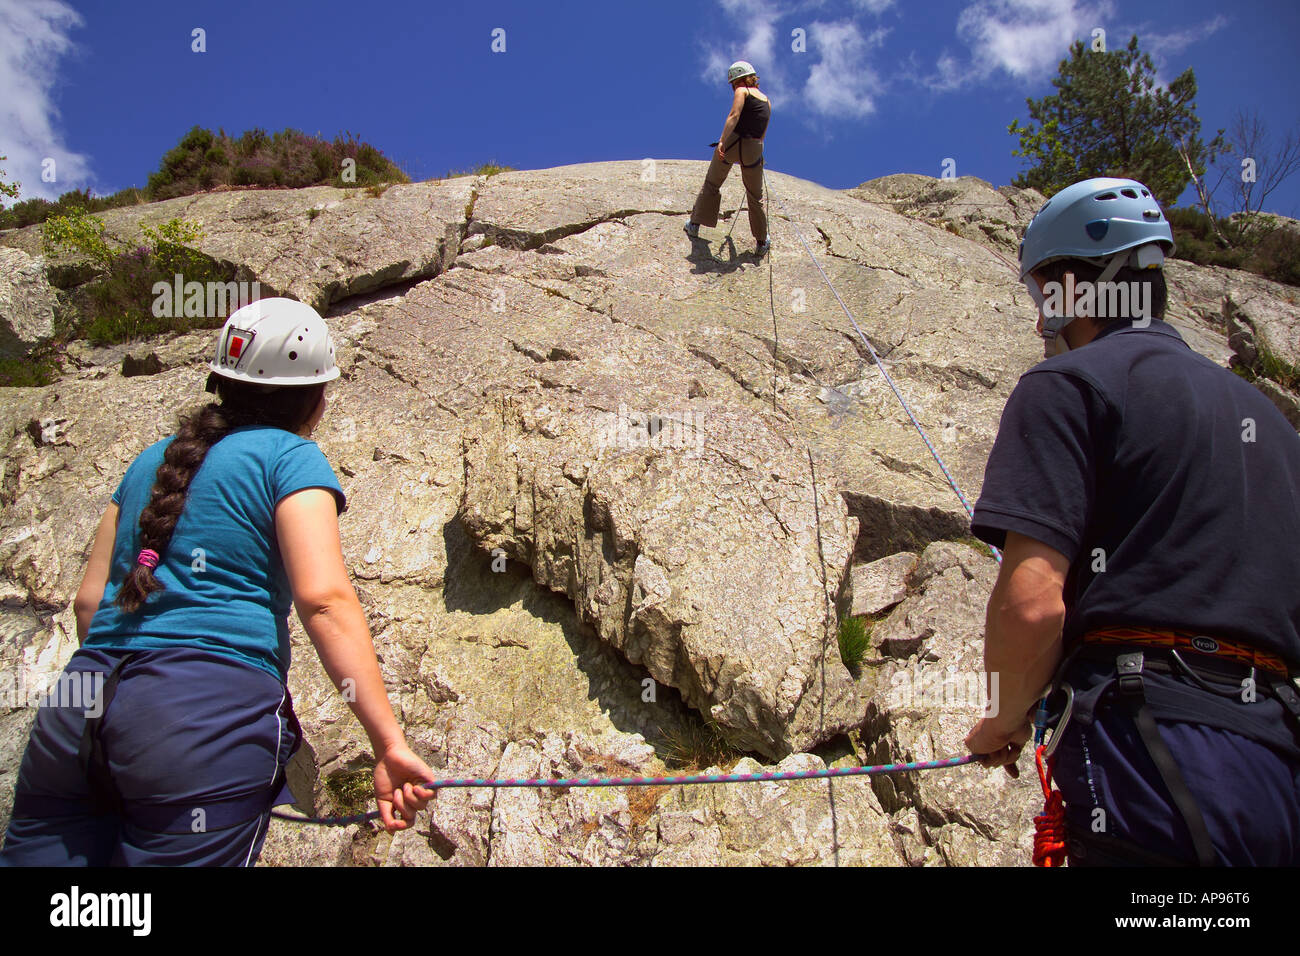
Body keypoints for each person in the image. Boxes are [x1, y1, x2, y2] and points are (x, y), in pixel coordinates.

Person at [0, 297, 435, 866]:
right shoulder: (290, 457)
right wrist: (388, 742)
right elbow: (323, 600)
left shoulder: (148, 462)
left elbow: (90, 604)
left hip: (78, 707)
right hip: (198, 715)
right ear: (317, 397)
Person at [963, 177, 1300, 866]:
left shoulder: (1070, 385)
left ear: (1078, 288)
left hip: (1152, 755)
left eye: (1041, 296)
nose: (1039, 323)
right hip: (1281, 765)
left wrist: (1003, 718)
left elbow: (1031, 605)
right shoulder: (1274, 426)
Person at [685, 60, 771, 256]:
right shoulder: (767, 100)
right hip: (754, 148)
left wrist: (722, 141)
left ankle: (695, 225)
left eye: (733, 83)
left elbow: (734, 115)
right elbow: (763, 133)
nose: (733, 87)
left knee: (712, 183)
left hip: (733, 142)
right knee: (755, 196)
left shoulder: (742, 91)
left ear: (737, 80)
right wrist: (756, 156)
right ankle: (760, 242)